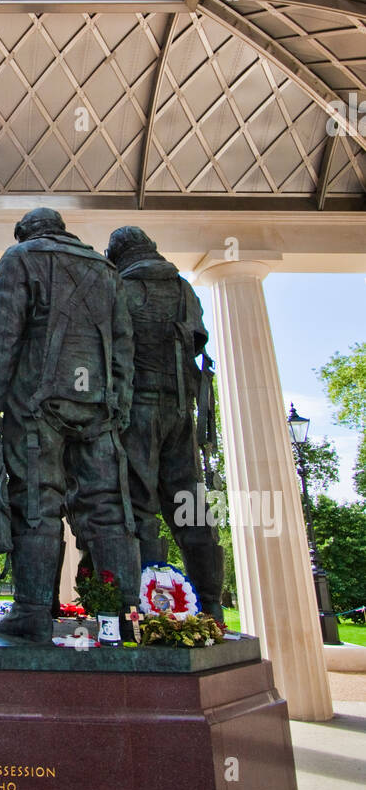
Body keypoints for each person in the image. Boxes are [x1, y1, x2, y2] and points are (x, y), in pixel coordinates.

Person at [0, 207, 137, 642]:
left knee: (36, 502)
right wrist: (119, 404)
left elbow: (2, 336)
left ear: (25, 231)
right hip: (98, 407)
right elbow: (124, 345)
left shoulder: (20, 257)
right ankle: (121, 617)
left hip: (36, 403)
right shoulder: (105, 268)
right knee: (108, 508)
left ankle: (32, 611)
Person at [105, 226, 224, 623]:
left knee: (137, 506)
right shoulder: (184, 288)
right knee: (191, 507)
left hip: (136, 408)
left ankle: (143, 609)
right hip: (180, 411)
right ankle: (212, 605)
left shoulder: (119, 287)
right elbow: (196, 342)